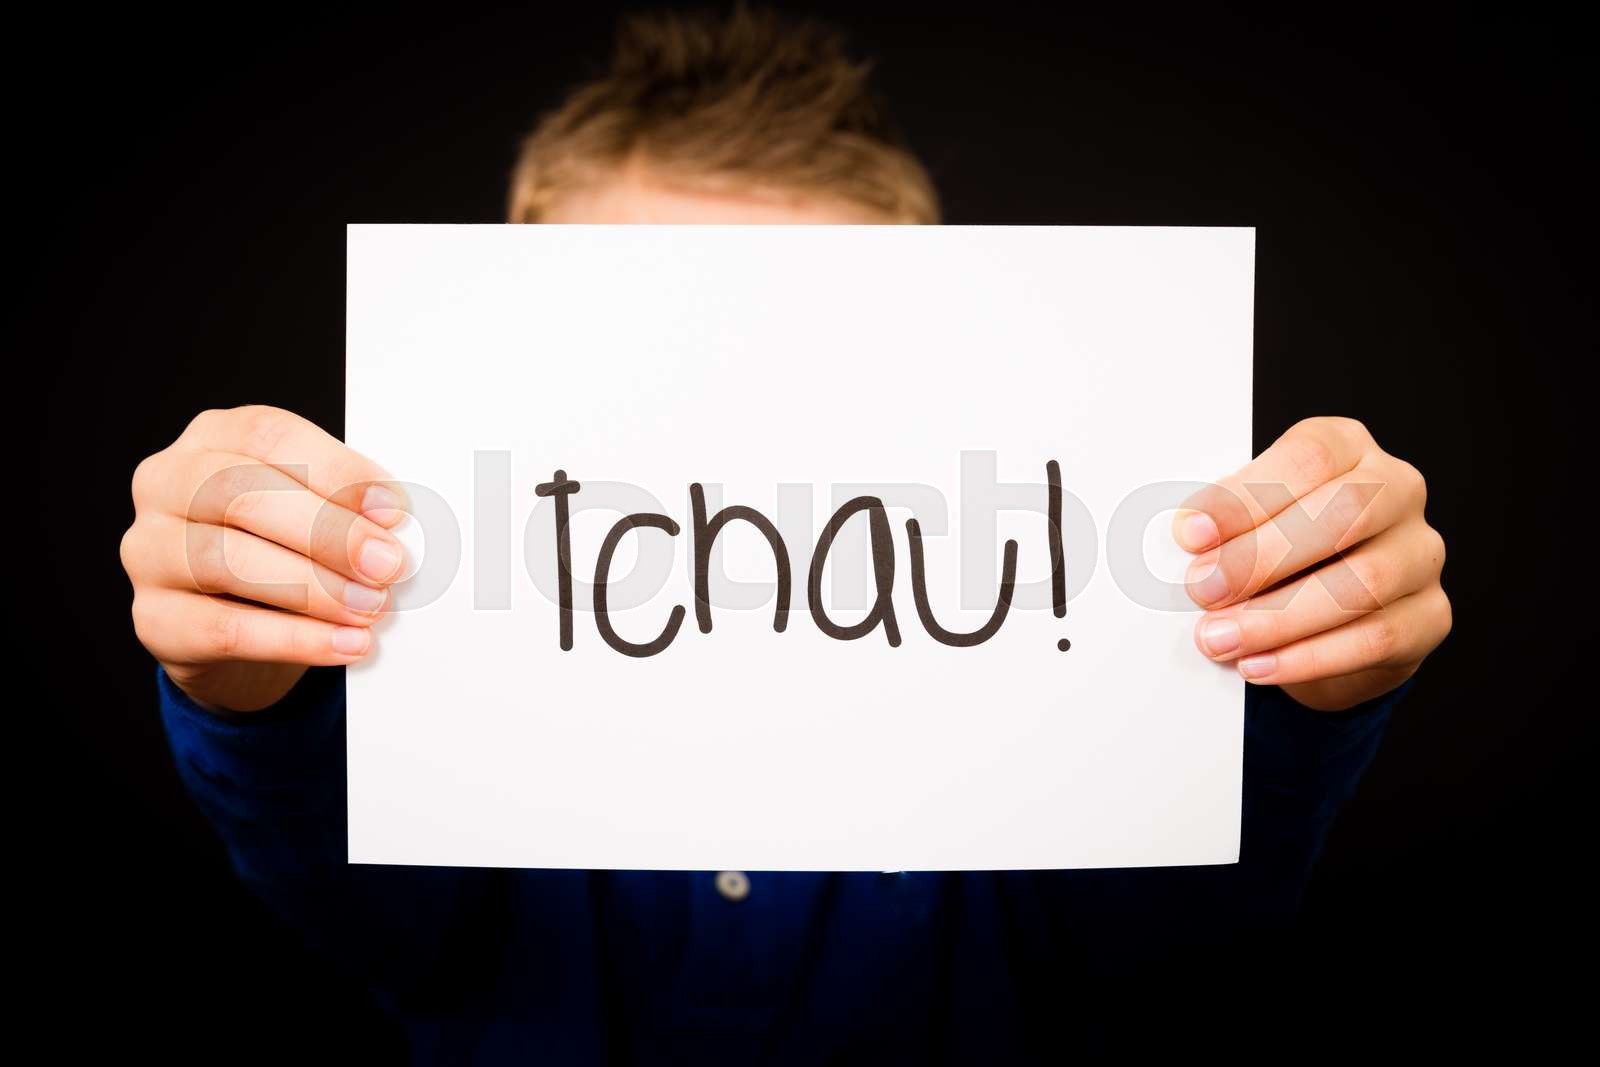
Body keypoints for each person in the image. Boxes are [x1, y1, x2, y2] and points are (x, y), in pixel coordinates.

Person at [118, 7, 1452, 1061]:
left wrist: (1301, 673)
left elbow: (1179, 911)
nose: (720, 421)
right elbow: (336, 874)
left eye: (807, 349)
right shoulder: (452, 699)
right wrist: (244, 674)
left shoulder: (1033, 698)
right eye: (651, 347)